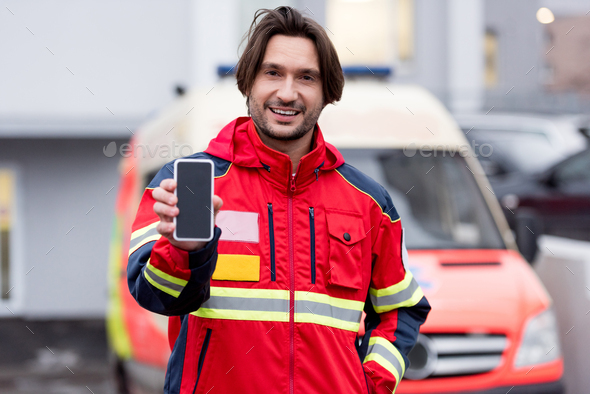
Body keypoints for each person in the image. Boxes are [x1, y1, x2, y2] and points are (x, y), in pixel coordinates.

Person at [127, 6, 430, 394]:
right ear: (248, 82)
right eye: (273, 73)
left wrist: (369, 384)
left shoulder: (369, 202)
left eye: (306, 77)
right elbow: (156, 297)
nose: (287, 92)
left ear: (327, 91)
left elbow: (401, 308)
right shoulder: (184, 184)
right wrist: (186, 250)